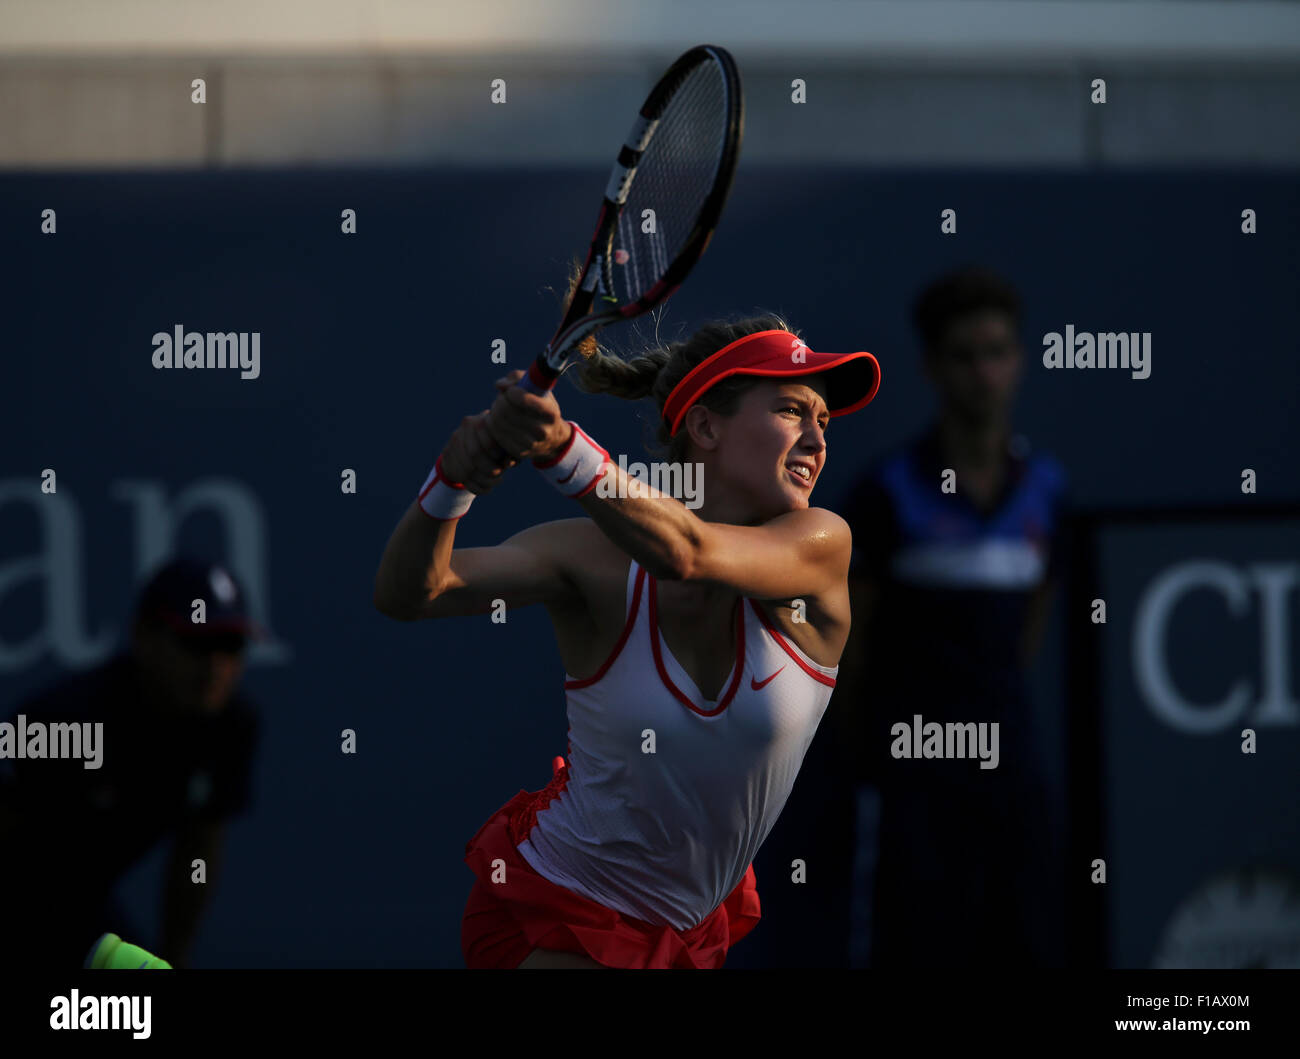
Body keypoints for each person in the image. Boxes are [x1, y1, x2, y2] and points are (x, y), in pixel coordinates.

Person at [374, 311, 881, 969]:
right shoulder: (588, 559)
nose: (817, 437)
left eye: (825, 421)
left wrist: (561, 447)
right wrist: (453, 478)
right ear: (704, 426)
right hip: (555, 908)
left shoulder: (820, 545)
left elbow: (688, 551)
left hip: (686, 933)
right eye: (792, 410)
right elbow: (410, 593)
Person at [830, 265, 1068, 967]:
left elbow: (1029, 629)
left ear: (1019, 362)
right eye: (964, 356)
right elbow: (848, 650)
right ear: (933, 368)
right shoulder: (886, 493)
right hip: (915, 788)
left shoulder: (1048, 492)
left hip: (1015, 777)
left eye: (997, 352)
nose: (983, 372)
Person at [0, 558, 262, 969]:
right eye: (195, 643)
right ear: (144, 637)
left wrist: (176, 956)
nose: (215, 666)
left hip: (79, 906)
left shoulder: (232, 728)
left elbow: (197, 849)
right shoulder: (57, 724)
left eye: (230, 647)